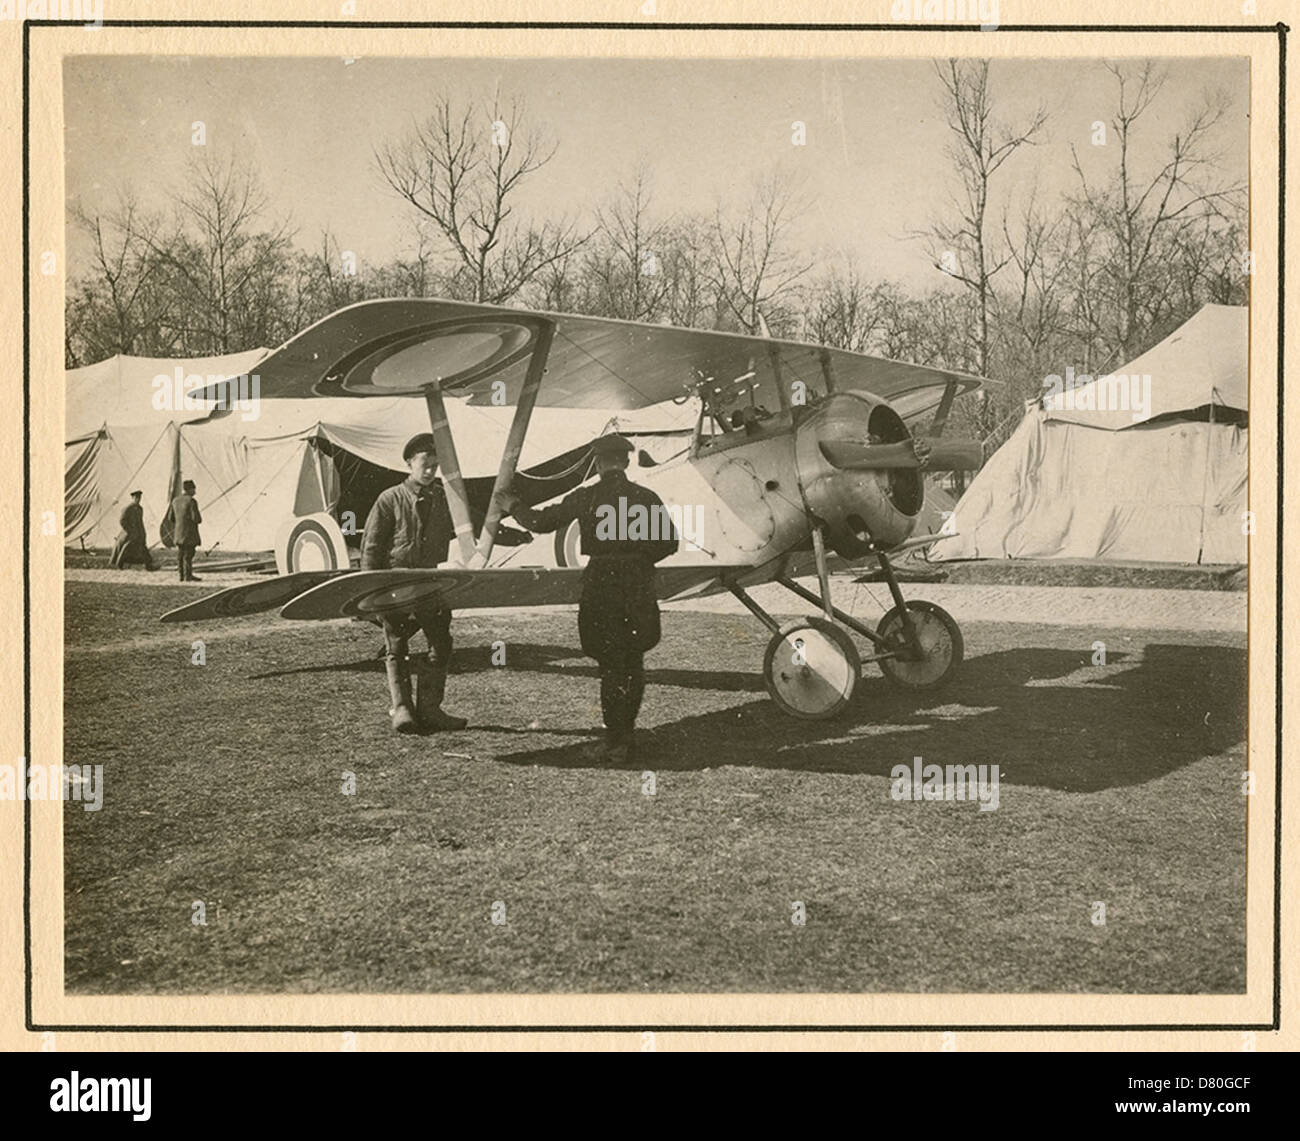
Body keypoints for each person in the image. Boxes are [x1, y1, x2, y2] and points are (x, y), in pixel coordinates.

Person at [500, 433, 678, 763]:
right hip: (638, 584)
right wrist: (638, 558)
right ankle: (625, 735)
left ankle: (617, 740)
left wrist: (511, 505)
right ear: (625, 461)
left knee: (611, 663)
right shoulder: (647, 497)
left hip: (603, 584)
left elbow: (540, 522)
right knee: (633, 660)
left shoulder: (588, 496)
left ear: (598, 464)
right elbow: (669, 543)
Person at [361, 433, 468, 735]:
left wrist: (508, 531)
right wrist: (371, 593)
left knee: (441, 642)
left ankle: (431, 709)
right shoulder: (389, 499)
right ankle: (402, 709)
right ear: (410, 463)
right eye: (425, 464)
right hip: (395, 581)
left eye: (436, 465)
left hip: (430, 582)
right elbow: (371, 547)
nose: (432, 471)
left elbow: (467, 526)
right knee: (396, 644)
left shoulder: (444, 500)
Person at [163, 479, 203, 582]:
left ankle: (181, 576)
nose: (195, 491)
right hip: (189, 533)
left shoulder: (175, 500)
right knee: (188, 555)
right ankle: (188, 576)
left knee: (180, 555)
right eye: (194, 489)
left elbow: (170, 518)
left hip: (178, 533)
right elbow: (197, 519)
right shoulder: (192, 501)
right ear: (189, 489)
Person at [109, 490, 155, 570]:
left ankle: (148, 566)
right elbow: (122, 521)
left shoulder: (140, 509)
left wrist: (143, 533)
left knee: (143, 548)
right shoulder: (128, 508)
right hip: (128, 534)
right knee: (126, 548)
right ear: (133, 498)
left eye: (139, 498)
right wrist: (130, 531)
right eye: (136, 498)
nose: (138, 499)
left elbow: (140, 522)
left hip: (138, 533)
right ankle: (119, 564)